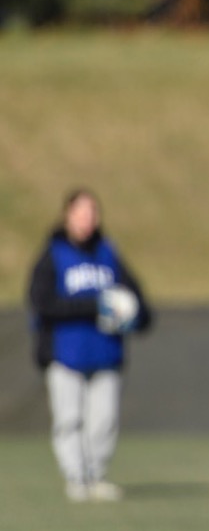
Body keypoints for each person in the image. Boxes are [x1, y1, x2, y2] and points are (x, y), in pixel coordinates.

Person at [26, 189, 153, 502]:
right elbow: (41, 303)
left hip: (106, 353)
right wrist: (94, 306)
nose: (86, 219)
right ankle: (76, 478)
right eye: (80, 212)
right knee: (69, 419)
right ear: (67, 215)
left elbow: (137, 300)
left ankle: (96, 475)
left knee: (104, 420)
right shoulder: (53, 254)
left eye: (92, 212)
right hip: (65, 353)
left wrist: (134, 316)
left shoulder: (108, 253)